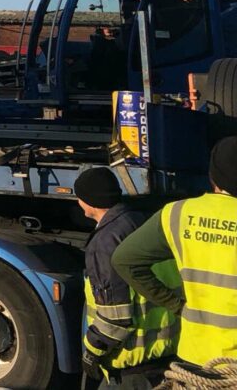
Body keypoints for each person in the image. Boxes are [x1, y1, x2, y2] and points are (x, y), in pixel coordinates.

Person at [114, 136, 237, 371]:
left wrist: (176, 305)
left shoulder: (177, 214)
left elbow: (124, 260)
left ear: (213, 176)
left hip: (195, 354)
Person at [74, 166, 179, 387]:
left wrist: (92, 352)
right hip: (166, 356)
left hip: (131, 365)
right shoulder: (145, 223)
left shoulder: (105, 243)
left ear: (88, 202)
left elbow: (116, 317)